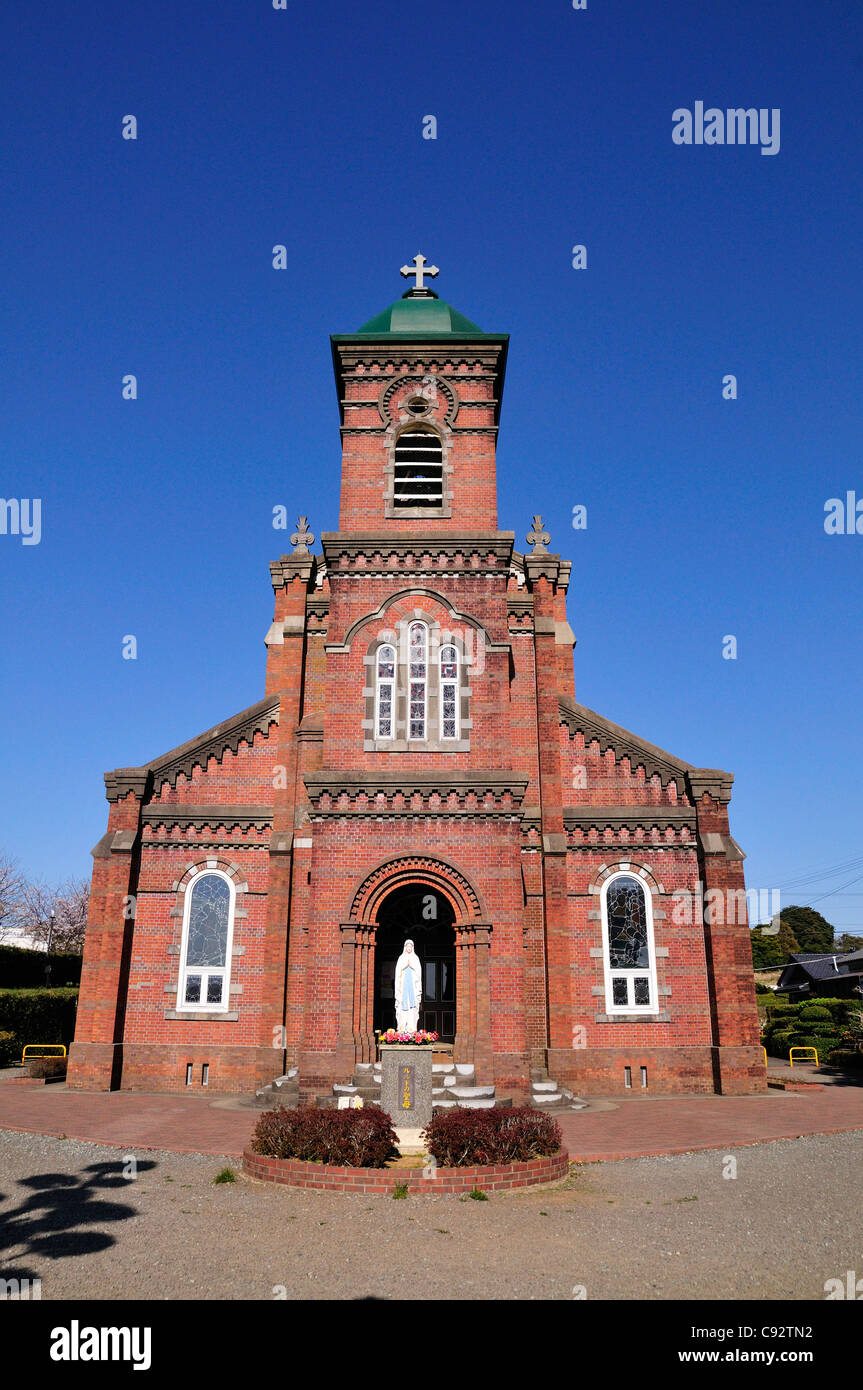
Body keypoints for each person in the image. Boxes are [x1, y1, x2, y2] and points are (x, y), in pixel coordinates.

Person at [394, 938, 422, 1032]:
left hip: (413, 987)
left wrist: (412, 966)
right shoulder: (401, 958)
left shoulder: (415, 958)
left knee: (412, 1008)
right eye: (407, 946)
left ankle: (412, 1028)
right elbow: (398, 972)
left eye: (411, 947)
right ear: (405, 947)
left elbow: (418, 972)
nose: (409, 948)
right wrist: (405, 965)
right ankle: (402, 1028)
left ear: (412, 948)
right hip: (403, 987)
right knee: (402, 1006)